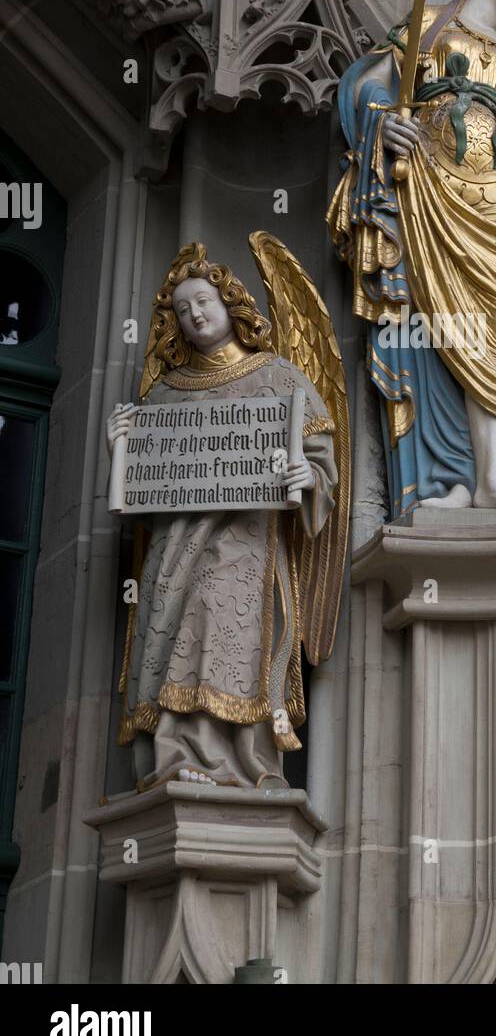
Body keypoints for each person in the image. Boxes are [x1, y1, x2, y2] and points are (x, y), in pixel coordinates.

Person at [328, 0, 496, 514]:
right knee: (439, 334)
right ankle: (451, 478)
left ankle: (493, 481)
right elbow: (373, 90)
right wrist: (383, 123)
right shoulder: (429, 27)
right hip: (430, 195)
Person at [106, 243, 338, 790]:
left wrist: (308, 478)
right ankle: (174, 759)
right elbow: (132, 507)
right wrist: (121, 452)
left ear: (230, 302)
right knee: (172, 639)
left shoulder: (279, 378)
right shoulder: (162, 396)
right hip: (173, 551)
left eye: (204, 301)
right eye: (183, 311)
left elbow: (324, 463)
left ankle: (238, 762)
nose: (196, 315)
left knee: (221, 629)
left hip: (246, 547)